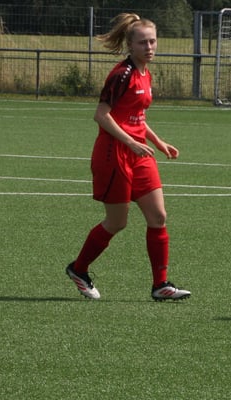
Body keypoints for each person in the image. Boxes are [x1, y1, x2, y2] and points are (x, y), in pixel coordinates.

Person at [66, 13, 190, 302]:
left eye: (153, 41)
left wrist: (157, 141)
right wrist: (131, 142)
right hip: (114, 154)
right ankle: (78, 268)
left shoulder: (146, 73)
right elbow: (102, 116)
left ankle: (161, 285)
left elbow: (135, 115)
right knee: (117, 222)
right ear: (130, 46)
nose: (149, 46)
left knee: (158, 216)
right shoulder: (121, 74)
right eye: (143, 42)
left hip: (139, 153)